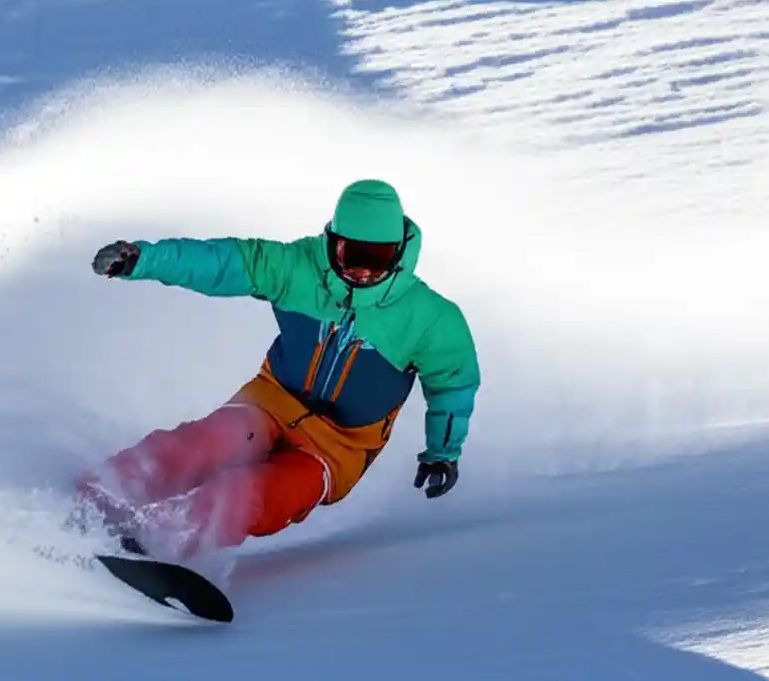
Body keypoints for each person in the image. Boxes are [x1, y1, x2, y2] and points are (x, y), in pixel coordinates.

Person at [75, 179, 480, 560]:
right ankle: (103, 491)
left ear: (400, 251)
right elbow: (222, 262)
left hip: (339, 445)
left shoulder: (431, 319)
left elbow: (452, 383)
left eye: (379, 258)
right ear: (333, 243)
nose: (364, 270)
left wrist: (443, 453)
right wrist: (142, 259)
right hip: (272, 401)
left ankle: (161, 536)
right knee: (206, 443)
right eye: (352, 255)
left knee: (259, 494)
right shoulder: (296, 267)